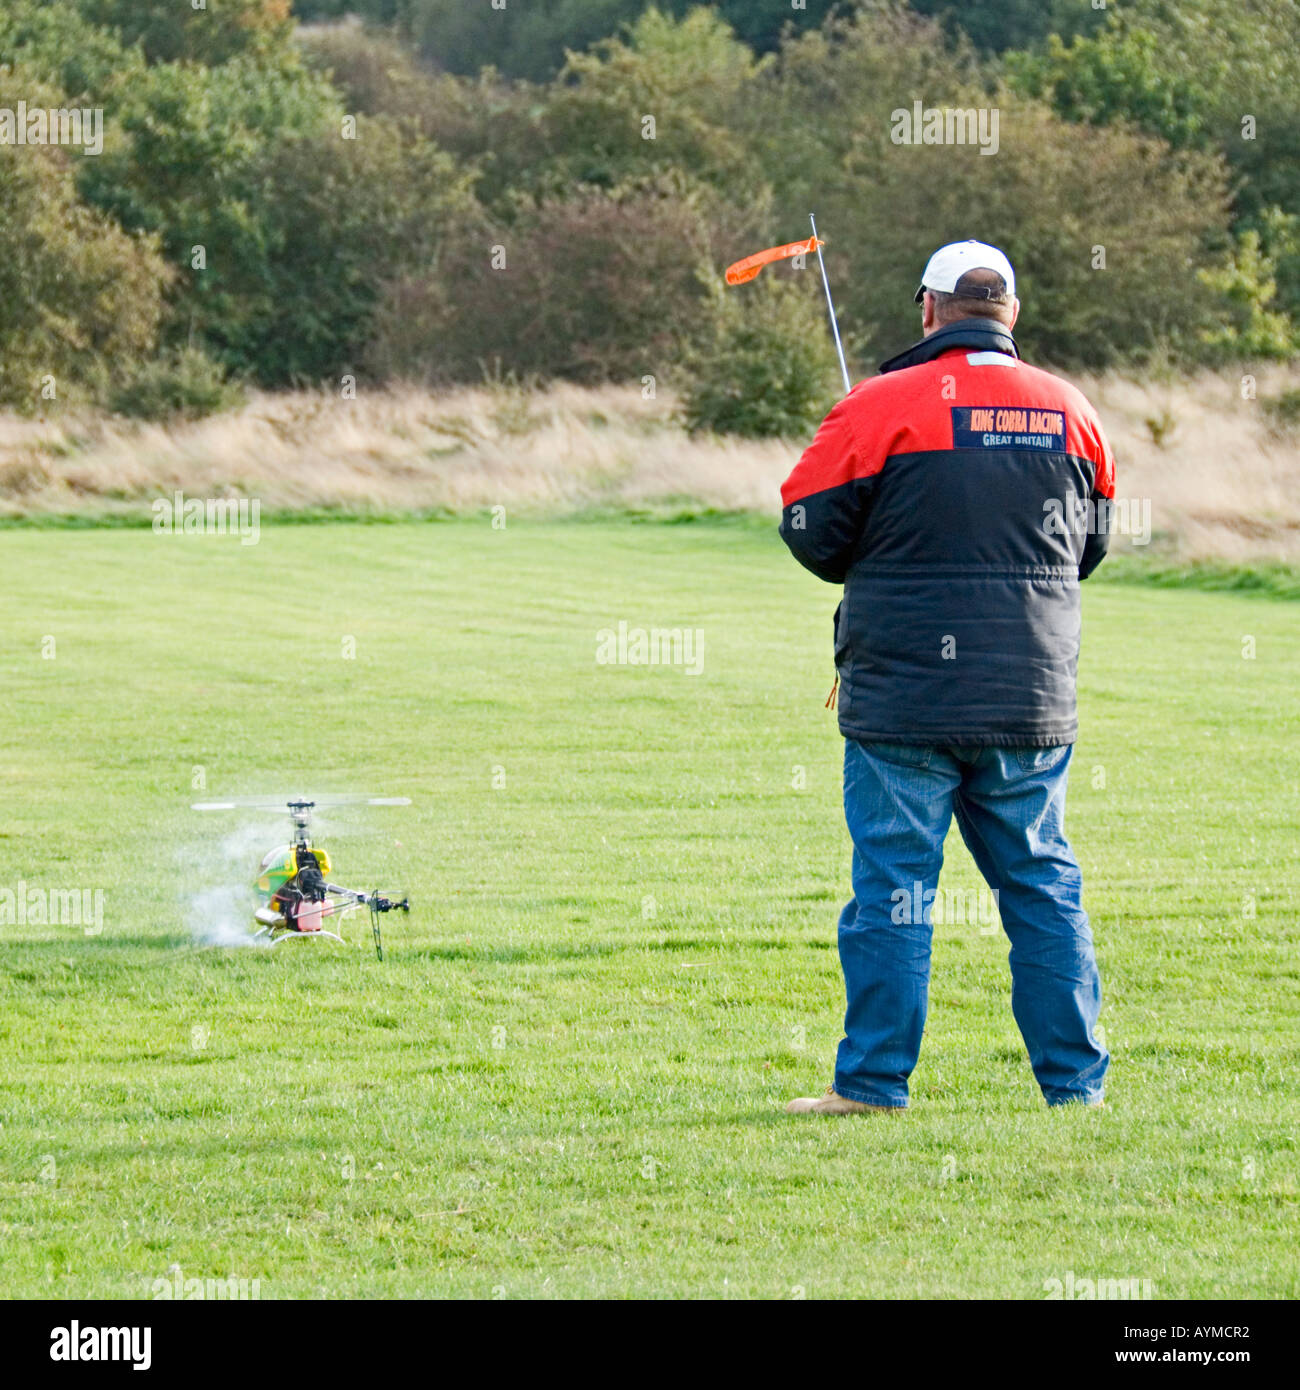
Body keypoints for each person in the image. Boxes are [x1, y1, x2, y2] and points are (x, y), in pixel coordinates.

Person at [779, 240, 1115, 1114]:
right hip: (1031, 696)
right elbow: (1089, 548)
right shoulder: (1072, 410)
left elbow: (810, 532)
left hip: (903, 702)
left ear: (929, 310)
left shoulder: (875, 405)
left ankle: (872, 1085)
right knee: (1042, 885)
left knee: (893, 891)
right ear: (1012, 315)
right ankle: (1075, 1089)